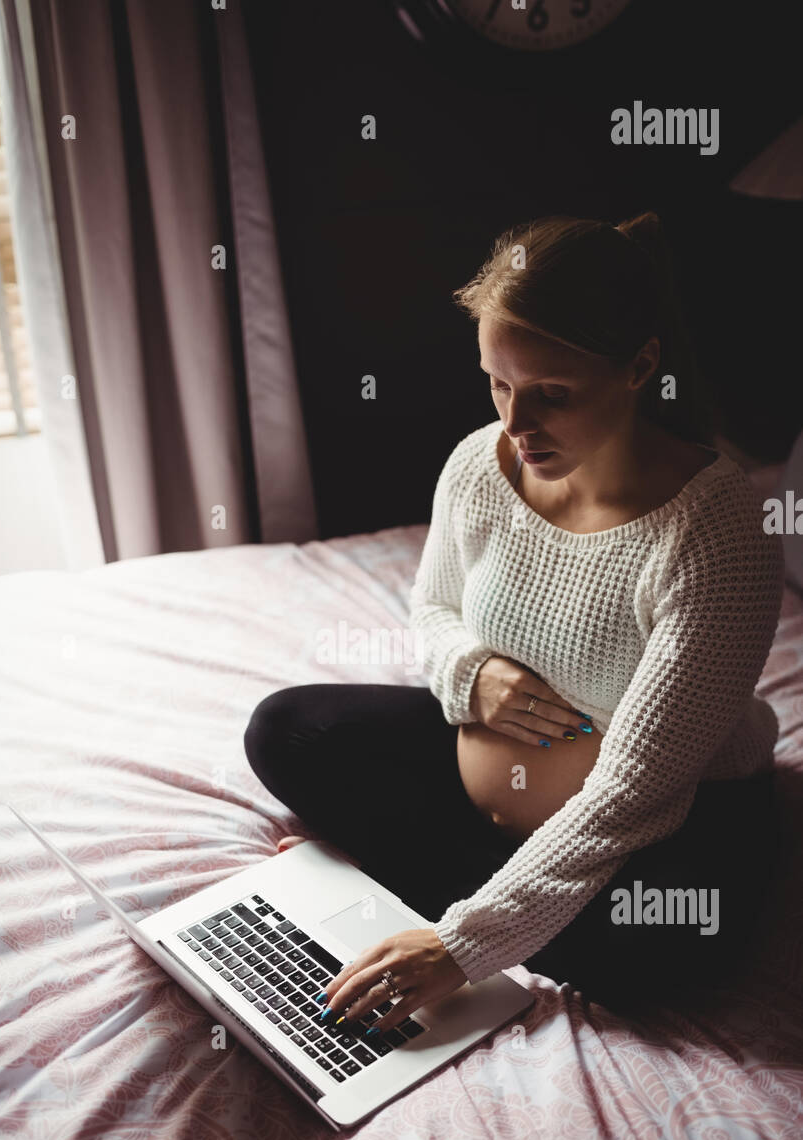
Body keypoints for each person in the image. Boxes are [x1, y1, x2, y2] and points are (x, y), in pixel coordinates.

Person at [243, 212, 785, 1041]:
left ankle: (441, 890)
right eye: (498, 383)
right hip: (493, 779)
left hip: (665, 815)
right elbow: (433, 609)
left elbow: (629, 793)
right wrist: (470, 674)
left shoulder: (717, 533)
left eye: (551, 394)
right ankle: (487, 888)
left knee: (656, 956)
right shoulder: (479, 465)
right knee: (286, 730)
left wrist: (459, 948)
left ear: (640, 367)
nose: (516, 422)